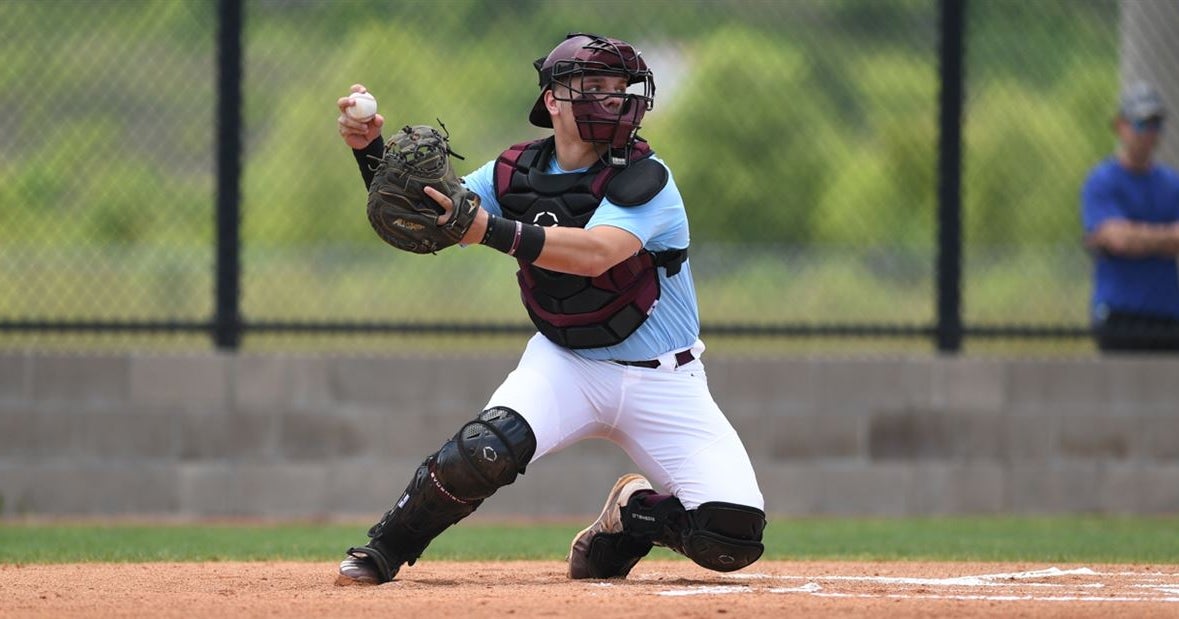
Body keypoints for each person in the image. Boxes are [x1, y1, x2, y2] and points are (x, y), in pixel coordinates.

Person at [332, 33, 766, 584]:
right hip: (567, 364)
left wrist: (489, 230)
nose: (613, 98)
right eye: (595, 86)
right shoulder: (512, 172)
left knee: (732, 535)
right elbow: (429, 215)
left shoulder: (648, 177)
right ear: (553, 100)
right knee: (484, 451)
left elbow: (597, 254)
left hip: (667, 380)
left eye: (620, 88)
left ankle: (630, 518)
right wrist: (370, 149)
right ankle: (383, 550)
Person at [1081, 80, 1179, 352]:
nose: (1149, 134)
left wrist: (1137, 237)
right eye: (1141, 124)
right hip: (1119, 312)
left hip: (1167, 313)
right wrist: (1166, 238)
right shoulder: (1102, 181)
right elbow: (1118, 240)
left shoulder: (1171, 184)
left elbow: (1127, 238)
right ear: (1120, 126)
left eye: (1155, 125)